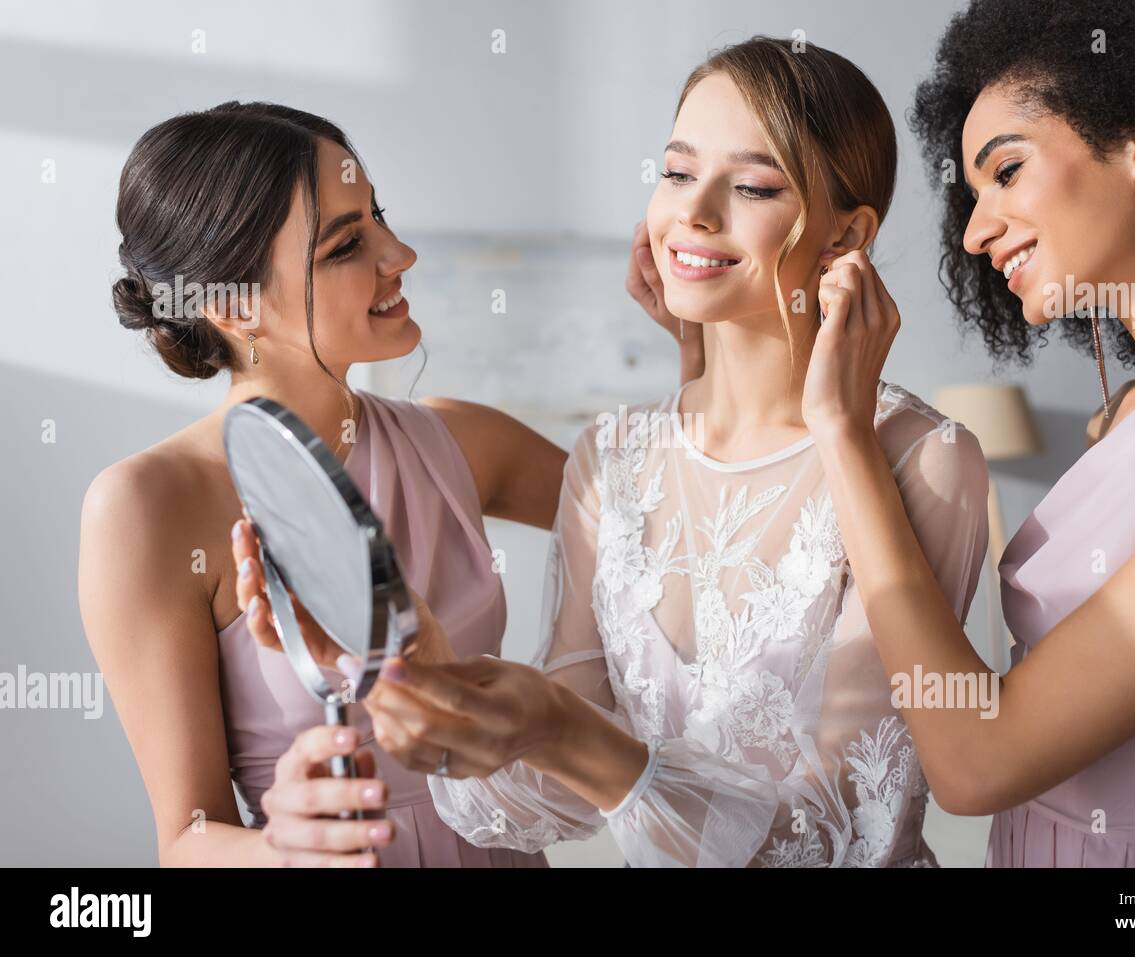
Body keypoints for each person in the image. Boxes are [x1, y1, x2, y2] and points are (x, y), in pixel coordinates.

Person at [233, 37, 991, 867]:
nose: (694, 212)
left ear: (848, 235)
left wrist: (568, 734)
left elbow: (839, 842)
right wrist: (428, 675)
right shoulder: (613, 458)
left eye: (752, 185)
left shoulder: (924, 460)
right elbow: (543, 803)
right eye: (675, 171)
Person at [79, 102, 698, 866]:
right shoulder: (147, 507)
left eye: (379, 217)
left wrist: (696, 346)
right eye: (347, 246)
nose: (399, 254)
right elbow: (185, 838)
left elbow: (683, 533)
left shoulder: (460, 442)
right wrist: (286, 850)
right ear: (234, 305)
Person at [801, 0, 1135, 866]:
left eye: (1006, 171)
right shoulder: (1130, 412)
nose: (973, 227)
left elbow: (977, 759)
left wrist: (843, 434)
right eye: (972, 191)